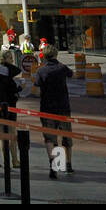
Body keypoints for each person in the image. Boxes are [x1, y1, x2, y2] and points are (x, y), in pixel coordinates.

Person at [33, 45, 74, 178]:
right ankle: (67, 164)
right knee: (66, 135)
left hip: (47, 107)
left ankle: (54, 164)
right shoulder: (62, 68)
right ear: (56, 55)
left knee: (50, 137)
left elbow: (37, 90)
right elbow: (72, 74)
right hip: (63, 106)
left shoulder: (41, 71)